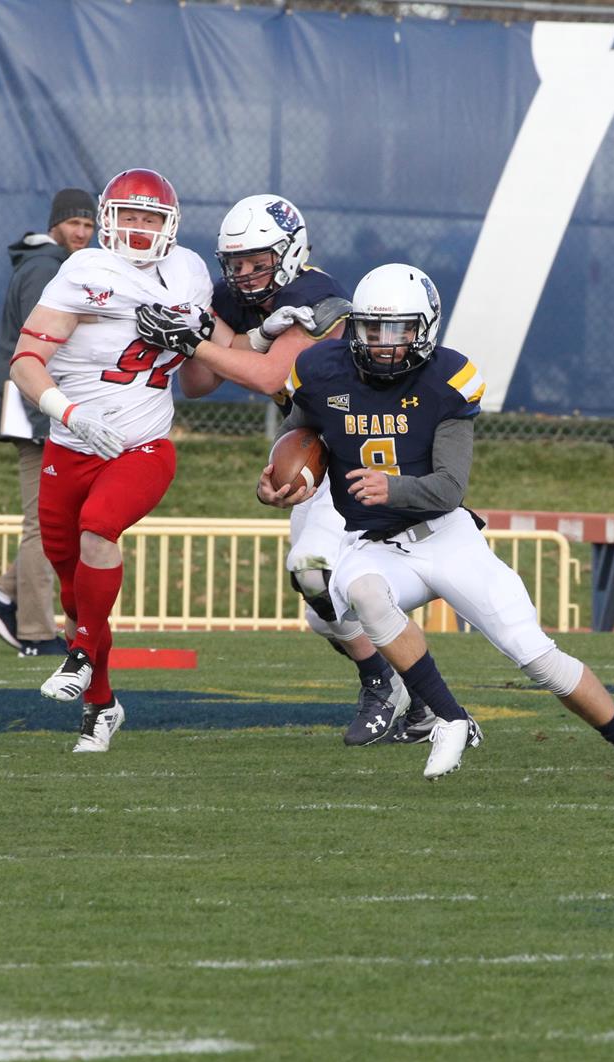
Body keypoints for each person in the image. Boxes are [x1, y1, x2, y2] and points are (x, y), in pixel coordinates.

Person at [255, 263, 614, 796]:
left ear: (426, 328)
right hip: (376, 545)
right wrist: (276, 482)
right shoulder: (320, 369)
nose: (384, 344)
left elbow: (450, 488)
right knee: (364, 590)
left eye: (398, 331)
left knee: (539, 659)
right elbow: (299, 440)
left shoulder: (445, 381)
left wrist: (395, 488)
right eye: (372, 329)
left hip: (446, 538)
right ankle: (450, 717)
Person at [135, 194, 433, 746]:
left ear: (289, 252)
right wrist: (205, 332)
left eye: (257, 262)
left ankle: (411, 696)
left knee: (340, 579)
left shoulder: (314, 295)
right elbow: (199, 385)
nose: (245, 275)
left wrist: (204, 341)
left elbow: (273, 374)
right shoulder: (234, 296)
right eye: (237, 264)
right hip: (322, 449)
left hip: (374, 450)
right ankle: (401, 691)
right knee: (321, 609)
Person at [7, 169, 220, 753]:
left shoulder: (189, 274)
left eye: (150, 218)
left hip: (143, 444)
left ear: (169, 227)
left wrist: (195, 338)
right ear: (107, 220)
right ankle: (101, 704)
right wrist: (70, 414)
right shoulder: (84, 273)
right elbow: (26, 361)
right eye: (129, 216)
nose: (138, 228)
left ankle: (76, 657)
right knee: (75, 589)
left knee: (99, 531)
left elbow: (201, 382)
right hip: (72, 444)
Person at [0, 188, 97, 657]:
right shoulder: (46, 268)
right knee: (42, 523)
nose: (82, 233)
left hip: (39, 406)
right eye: (74, 225)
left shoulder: (49, 265)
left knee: (55, 518)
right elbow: (39, 349)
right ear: (55, 225)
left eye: (88, 226)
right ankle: (34, 630)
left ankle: (3, 595)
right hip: (33, 408)